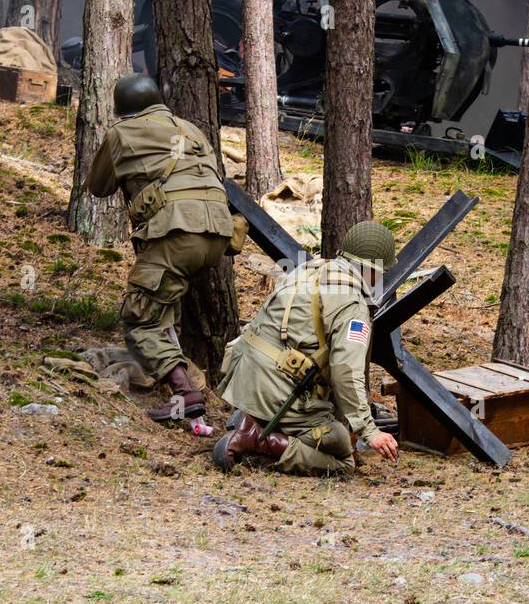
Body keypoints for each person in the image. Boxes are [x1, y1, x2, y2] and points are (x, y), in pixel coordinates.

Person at [85, 74, 233, 422]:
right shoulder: (190, 129)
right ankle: (177, 381)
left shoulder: (122, 133)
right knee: (164, 305)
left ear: (123, 108)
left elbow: (98, 186)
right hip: (219, 232)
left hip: (177, 233)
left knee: (140, 320)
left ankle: (186, 392)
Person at [212, 221, 401, 475]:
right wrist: (368, 430)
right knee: (341, 453)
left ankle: (254, 418)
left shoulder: (307, 271)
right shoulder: (351, 302)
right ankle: (259, 439)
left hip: (244, 375)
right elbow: (346, 370)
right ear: (373, 270)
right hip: (279, 389)